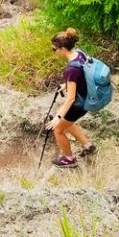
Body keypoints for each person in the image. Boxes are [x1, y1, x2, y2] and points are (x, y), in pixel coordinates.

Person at [46, 27, 97, 168]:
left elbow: (70, 99)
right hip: (88, 96)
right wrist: (68, 85)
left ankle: (69, 159)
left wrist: (57, 117)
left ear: (62, 49)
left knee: (59, 129)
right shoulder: (80, 53)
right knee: (68, 122)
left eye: (54, 49)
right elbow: (84, 74)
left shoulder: (71, 70)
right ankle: (88, 146)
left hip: (79, 105)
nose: (54, 51)